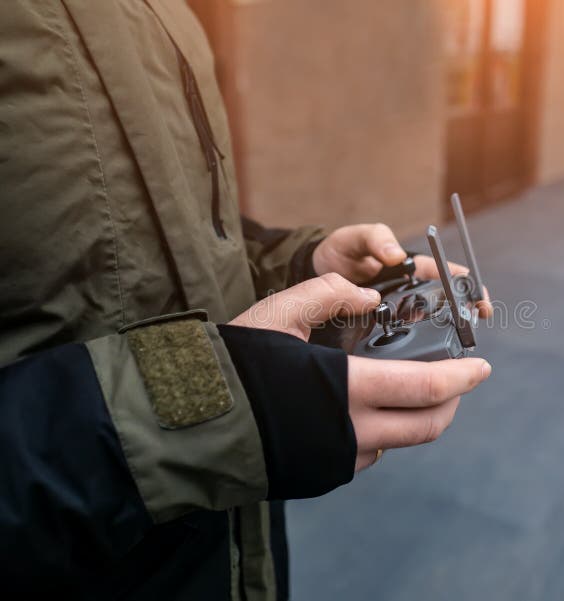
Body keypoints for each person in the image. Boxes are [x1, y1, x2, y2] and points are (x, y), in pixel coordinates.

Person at [0, 2, 492, 600]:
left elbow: (172, 237)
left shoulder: (163, 11)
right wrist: (196, 410)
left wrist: (294, 266)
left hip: (226, 552)